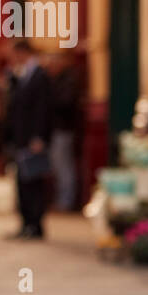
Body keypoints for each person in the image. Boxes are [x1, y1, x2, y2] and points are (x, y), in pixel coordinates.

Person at [4, 39, 52, 238]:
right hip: (21, 136)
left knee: (33, 181)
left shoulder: (40, 76)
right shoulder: (21, 75)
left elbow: (44, 109)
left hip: (33, 138)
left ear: (23, 53)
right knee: (22, 180)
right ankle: (26, 223)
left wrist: (39, 136)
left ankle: (35, 223)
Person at [46, 49, 82, 210]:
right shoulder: (58, 79)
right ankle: (62, 200)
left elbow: (65, 103)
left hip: (63, 128)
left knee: (63, 166)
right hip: (58, 127)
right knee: (58, 165)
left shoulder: (68, 80)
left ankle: (66, 201)